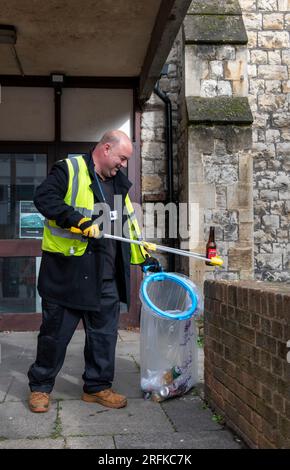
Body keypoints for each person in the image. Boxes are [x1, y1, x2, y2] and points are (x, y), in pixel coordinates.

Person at [27, 130, 160, 413]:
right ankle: (40, 387)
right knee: (54, 336)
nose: (123, 165)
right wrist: (78, 221)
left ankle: (97, 387)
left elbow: (126, 225)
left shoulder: (118, 185)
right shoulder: (69, 170)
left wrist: (143, 252)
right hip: (68, 274)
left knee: (104, 337)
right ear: (106, 149)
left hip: (105, 276)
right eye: (122, 158)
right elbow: (44, 198)